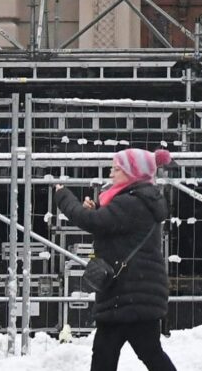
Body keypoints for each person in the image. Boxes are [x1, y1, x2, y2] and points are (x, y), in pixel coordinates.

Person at [69, 147, 177, 371]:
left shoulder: (130, 202)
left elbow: (93, 223)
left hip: (128, 294)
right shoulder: (140, 200)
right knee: (146, 353)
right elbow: (116, 228)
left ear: (132, 172)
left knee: (110, 356)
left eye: (116, 169)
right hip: (133, 293)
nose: (111, 173)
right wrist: (99, 209)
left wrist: (63, 197)